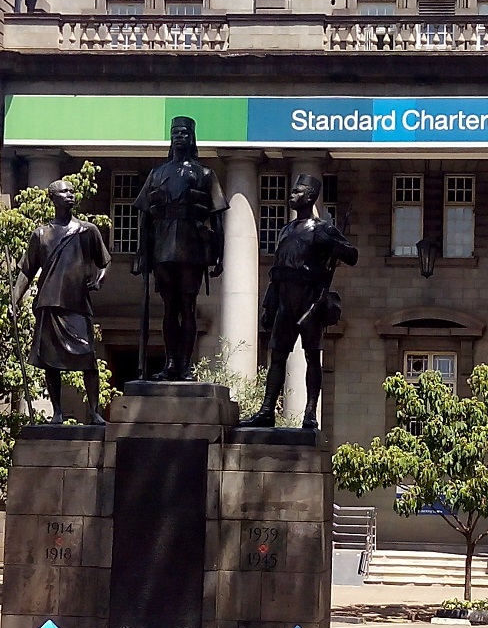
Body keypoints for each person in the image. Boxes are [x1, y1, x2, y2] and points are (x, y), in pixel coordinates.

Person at [239, 174, 358, 429]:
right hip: (284, 299)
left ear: (311, 197)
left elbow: (352, 255)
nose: (291, 195)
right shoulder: (286, 230)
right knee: (277, 355)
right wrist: (268, 305)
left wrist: (332, 245)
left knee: (312, 356)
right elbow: (276, 271)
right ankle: (267, 409)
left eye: (297, 191)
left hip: (309, 299)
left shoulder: (323, 228)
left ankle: (310, 411)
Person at [131, 116, 227, 381]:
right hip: (162, 246)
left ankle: (185, 364)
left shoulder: (205, 174)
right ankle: (170, 362)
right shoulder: (157, 174)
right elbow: (144, 218)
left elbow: (217, 218)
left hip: (191, 245)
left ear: (192, 138)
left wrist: (220, 255)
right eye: (175, 133)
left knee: (188, 306)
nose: (179, 137)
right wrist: (142, 255)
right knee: (169, 308)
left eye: (184, 133)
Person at [10, 179, 111, 424]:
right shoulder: (41, 234)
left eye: (72, 191)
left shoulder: (88, 231)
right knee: (50, 362)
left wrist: (98, 280)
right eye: (64, 192)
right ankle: (57, 412)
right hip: (49, 302)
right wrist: (14, 300)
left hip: (77, 303)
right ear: (53, 198)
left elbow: (105, 262)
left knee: (88, 359)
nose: (70, 195)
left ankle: (94, 411)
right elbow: (27, 271)